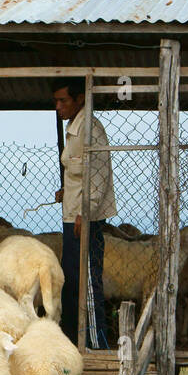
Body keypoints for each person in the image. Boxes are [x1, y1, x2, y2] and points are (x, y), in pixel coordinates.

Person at [53, 77, 117, 350]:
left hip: (84, 219)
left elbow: (98, 176)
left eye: (63, 101)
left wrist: (85, 213)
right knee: (72, 278)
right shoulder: (74, 127)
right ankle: (73, 340)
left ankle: (96, 342)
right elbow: (79, 173)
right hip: (72, 216)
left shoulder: (90, 129)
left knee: (88, 280)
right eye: (56, 101)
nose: (58, 107)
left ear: (80, 99)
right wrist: (65, 189)